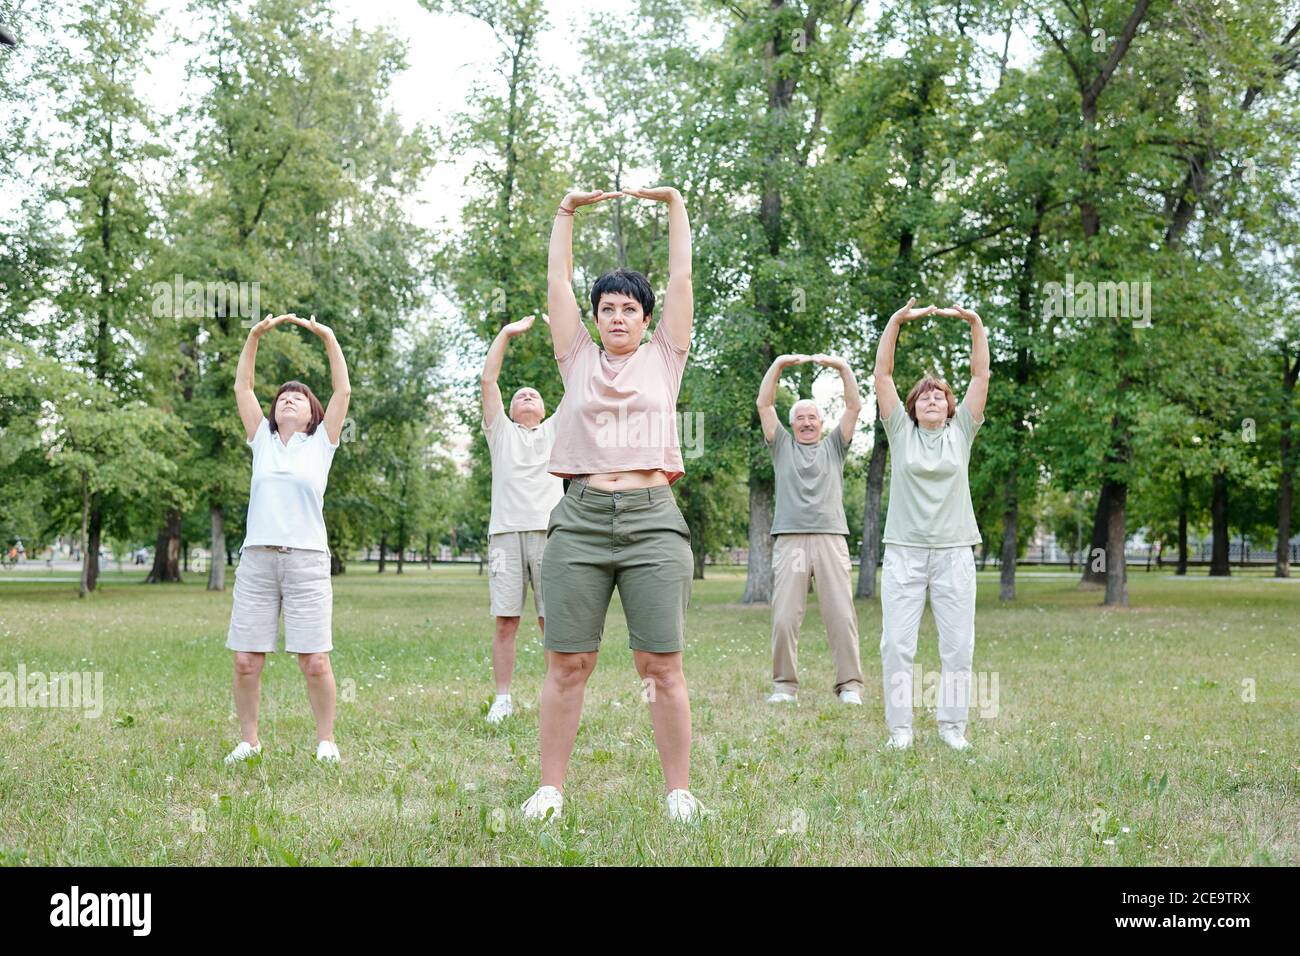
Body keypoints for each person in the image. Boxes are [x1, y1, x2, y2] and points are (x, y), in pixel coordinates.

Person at [520, 185, 700, 822]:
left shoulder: (666, 357)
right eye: (607, 308)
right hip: (583, 518)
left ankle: (679, 795)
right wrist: (565, 210)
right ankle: (549, 793)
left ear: (647, 319)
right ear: (594, 318)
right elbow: (556, 282)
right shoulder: (577, 360)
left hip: (653, 519)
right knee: (569, 661)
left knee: (660, 664)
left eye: (629, 308)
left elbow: (681, 273)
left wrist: (674, 203)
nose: (617, 317)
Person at [225, 312, 351, 765]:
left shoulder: (321, 444)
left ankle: (325, 741)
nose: (289, 401)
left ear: (313, 412)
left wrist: (328, 337)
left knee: (314, 660)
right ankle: (249, 741)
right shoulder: (261, 439)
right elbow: (243, 388)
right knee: (246, 661)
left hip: (306, 562)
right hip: (258, 562)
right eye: (283, 398)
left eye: (299, 398)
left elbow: (343, 390)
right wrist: (255, 336)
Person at [873, 297, 989, 751]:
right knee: (896, 646)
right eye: (924, 395)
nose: (933, 399)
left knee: (957, 647)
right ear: (913, 406)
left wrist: (975, 323)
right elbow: (883, 375)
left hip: (955, 552)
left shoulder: (963, 434)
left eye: (940, 394)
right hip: (904, 552)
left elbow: (980, 375)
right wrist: (896, 320)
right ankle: (900, 731)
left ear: (951, 406)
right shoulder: (900, 433)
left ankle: (951, 729)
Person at [756, 353, 865, 706]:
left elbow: (853, 405)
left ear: (821, 422)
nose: (806, 422)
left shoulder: (834, 446)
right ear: (793, 424)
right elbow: (765, 402)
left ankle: (850, 685)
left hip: (831, 539)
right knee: (785, 616)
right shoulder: (782, 446)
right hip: (791, 540)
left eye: (811, 417)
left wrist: (841, 367)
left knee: (841, 615)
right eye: (799, 418)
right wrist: (780, 364)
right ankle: (784, 686)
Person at [479, 313, 564, 724]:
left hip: (551, 537)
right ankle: (503, 698)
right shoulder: (501, 434)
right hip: (505, 537)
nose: (527, 395)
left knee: (553, 621)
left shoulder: (555, 431)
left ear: (544, 409)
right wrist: (506, 333)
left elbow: (578, 384)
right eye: (521, 395)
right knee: (507, 620)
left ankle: (555, 695)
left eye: (533, 394)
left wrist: (560, 330)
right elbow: (488, 381)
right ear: (510, 411)